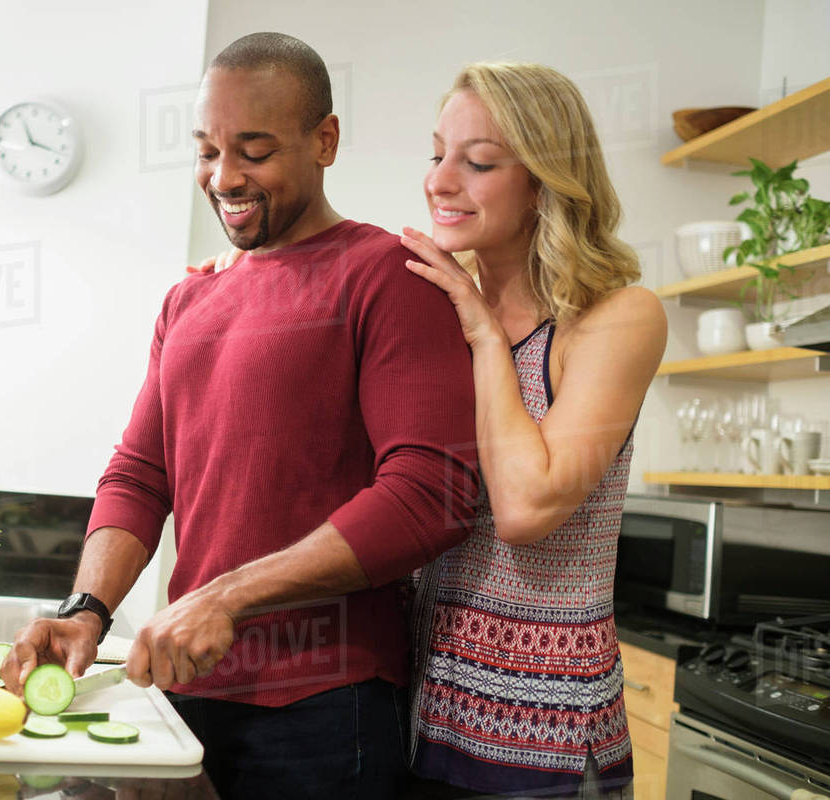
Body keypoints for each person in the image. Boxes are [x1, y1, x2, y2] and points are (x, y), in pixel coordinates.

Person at [1, 32, 480, 800]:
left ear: (324, 141)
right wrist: (87, 609)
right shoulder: (189, 299)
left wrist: (227, 596)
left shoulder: (387, 276)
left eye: (253, 150)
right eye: (207, 150)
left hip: (329, 708)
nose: (224, 176)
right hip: (183, 691)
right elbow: (140, 472)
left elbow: (433, 493)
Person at [196, 62, 666, 799]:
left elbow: (525, 509)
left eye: (477, 162)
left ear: (547, 179)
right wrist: (252, 265)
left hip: (542, 737)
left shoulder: (617, 318)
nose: (441, 181)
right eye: (437, 153)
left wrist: (482, 331)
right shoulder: (433, 301)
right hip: (421, 718)